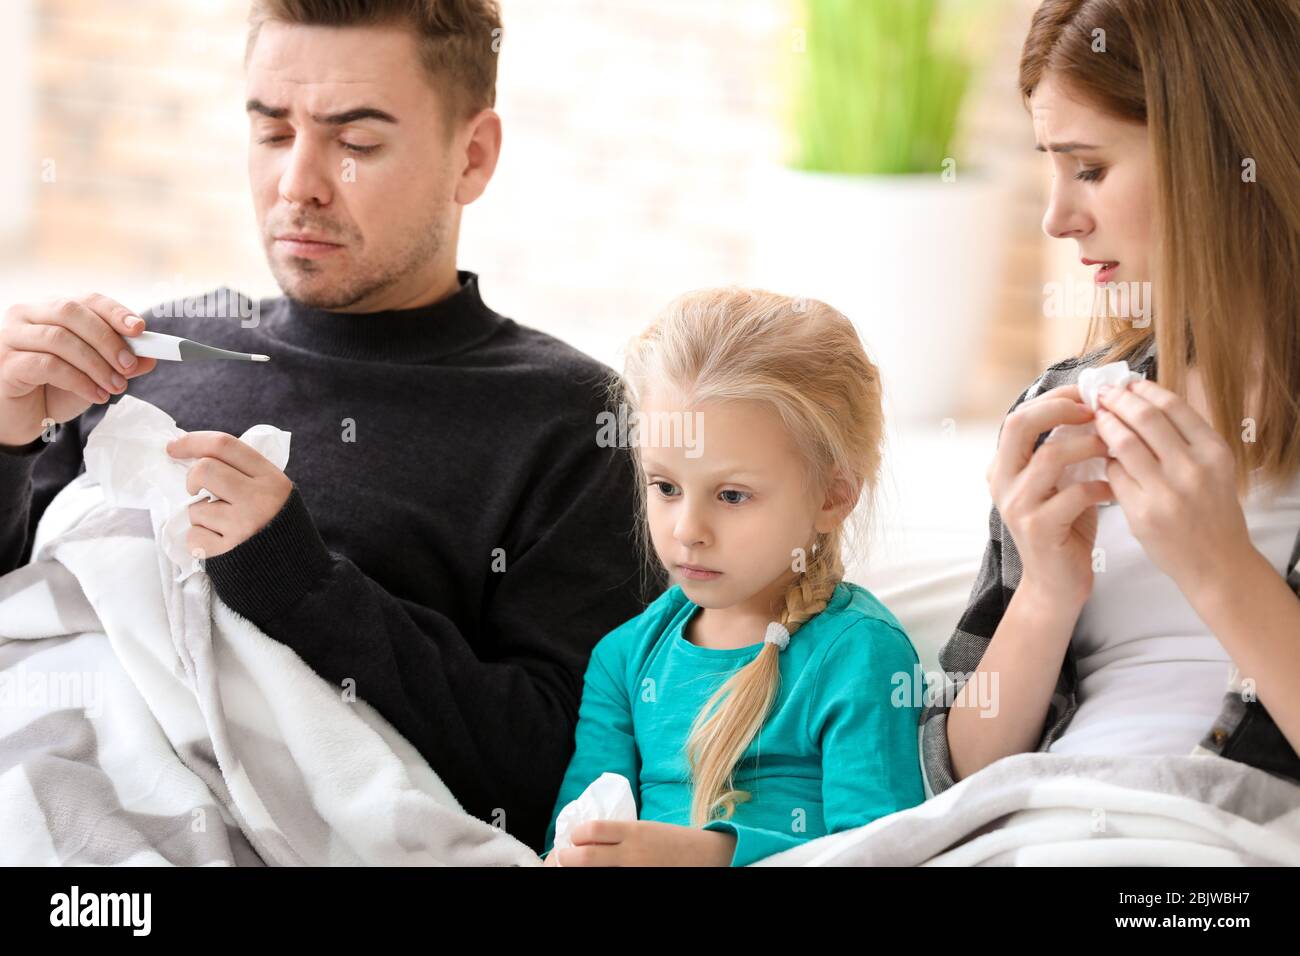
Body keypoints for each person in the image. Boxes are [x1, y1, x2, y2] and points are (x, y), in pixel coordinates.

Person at [0, 0, 658, 855]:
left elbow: (557, 775)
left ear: (474, 155)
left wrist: (294, 577)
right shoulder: (160, 351)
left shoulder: (571, 420)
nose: (297, 185)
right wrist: (9, 438)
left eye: (356, 142)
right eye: (273, 132)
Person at [922, 0, 1300, 794]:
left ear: (1223, 153)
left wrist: (1221, 567)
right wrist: (1045, 591)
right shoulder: (1063, 406)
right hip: (1028, 830)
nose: (1057, 218)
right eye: (1050, 169)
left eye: (1088, 168)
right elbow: (954, 776)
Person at [540, 288, 926, 866]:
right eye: (665, 487)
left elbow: (879, 853)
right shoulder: (623, 660)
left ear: (832, 497)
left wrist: (703, 856)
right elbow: (572, 839)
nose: (687, 529)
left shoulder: (858, 654)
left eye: (731, 495)